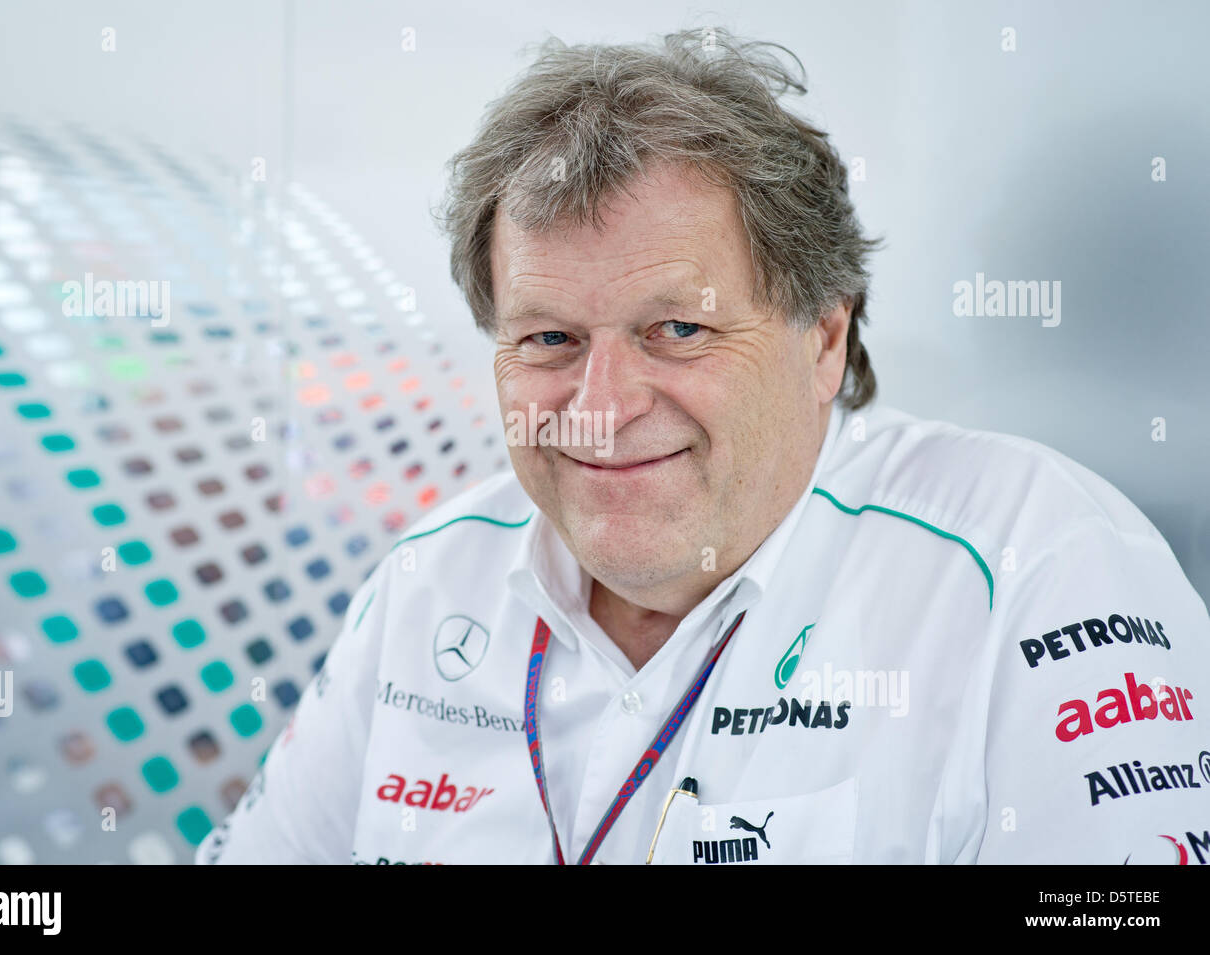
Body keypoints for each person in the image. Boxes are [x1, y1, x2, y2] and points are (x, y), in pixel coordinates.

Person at [196, 28, 1210, 865]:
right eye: (549, 338)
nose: (601, 405)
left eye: (676, 329)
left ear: (823, 337)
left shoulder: (1038, 564)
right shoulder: (431, 577)